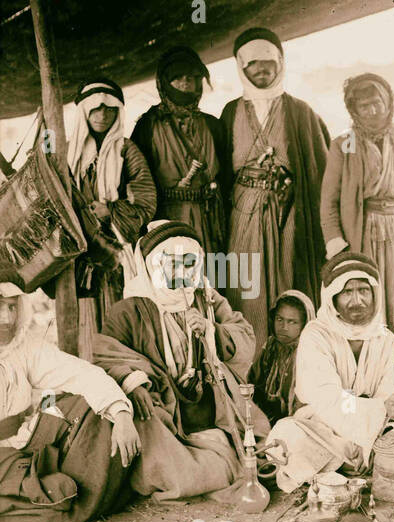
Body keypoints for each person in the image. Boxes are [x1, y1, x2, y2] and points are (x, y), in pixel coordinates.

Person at [93, 221, 265, 502]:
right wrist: (133, 381)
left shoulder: (207, 299)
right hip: (163, 415)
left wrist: (212, 331)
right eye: (170, 264)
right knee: (181, 474)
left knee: (252, 453)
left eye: (189, 264)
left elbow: (245, 339)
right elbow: (103, 355)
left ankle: (213, 456)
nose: (181, 273)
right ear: (151, 266)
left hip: (206, 412)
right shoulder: (129, 309)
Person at [267, 252, 394, 489]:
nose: (357, 300)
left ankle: (349, 470)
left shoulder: (386, 338)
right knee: (287, 435)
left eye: (363, 290)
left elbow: (387, 395)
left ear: (374, 294)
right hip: (325, 430)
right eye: (347, 292)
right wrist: (381, 408)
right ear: (332, 296)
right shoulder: (316, 334)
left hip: (375, 433)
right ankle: (370, 469)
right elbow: (327, 398)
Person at [0, 283, 140, 522]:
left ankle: (68, 496)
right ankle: (60, 502)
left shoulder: (23, 346)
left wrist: (121, 414)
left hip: (23, 446)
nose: (7, 318)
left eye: (11, 307)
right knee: (45, 515)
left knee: (88, 405)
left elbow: (80, 373)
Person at [219, 27, 330, 345]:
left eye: (269, 61)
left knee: (288, 287)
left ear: (280, 63)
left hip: (288, 214)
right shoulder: (230, 112)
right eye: (253, 63)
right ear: (241, 66)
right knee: (243, 287)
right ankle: (248, 369)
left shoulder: (300, 112)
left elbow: (320, 168)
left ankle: (289, 370)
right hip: (243, 213)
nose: (262, 69)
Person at [321, 73, 394, 331]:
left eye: (377, 103)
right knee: (363, 294)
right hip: (359, 231)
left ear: (389, 102)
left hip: (393, 228)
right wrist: (336, 242)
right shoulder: (345, 143)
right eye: (364, 106)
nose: (372, 111)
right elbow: (329, 200)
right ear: (354, 110)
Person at [67, 79, 157, 330]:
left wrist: (111, 212)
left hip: (117, 251)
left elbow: (146, 201)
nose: (102, 115)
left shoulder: (126, 151)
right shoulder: (68, 154)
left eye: (109, 109)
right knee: (84, 320)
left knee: (121, 316)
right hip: (79, 252)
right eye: (95, 108)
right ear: (84, 110)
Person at [131, 47, 228, 251]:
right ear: (165, 82)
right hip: (168, 221)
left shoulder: (212, 125)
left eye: (191, 77)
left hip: (210, 219)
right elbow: (138, 180)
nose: (185, 83)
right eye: (177, 77)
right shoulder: (148, 126)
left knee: (213, 276)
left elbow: (226, 175)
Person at [249, 290, 314, 424]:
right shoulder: (271, 346)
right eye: (279, 319)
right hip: (266, 419)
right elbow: (254, 382)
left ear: (305, 324)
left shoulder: (311, 352)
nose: (284, 327)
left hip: (300, 422)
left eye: (292, 322)